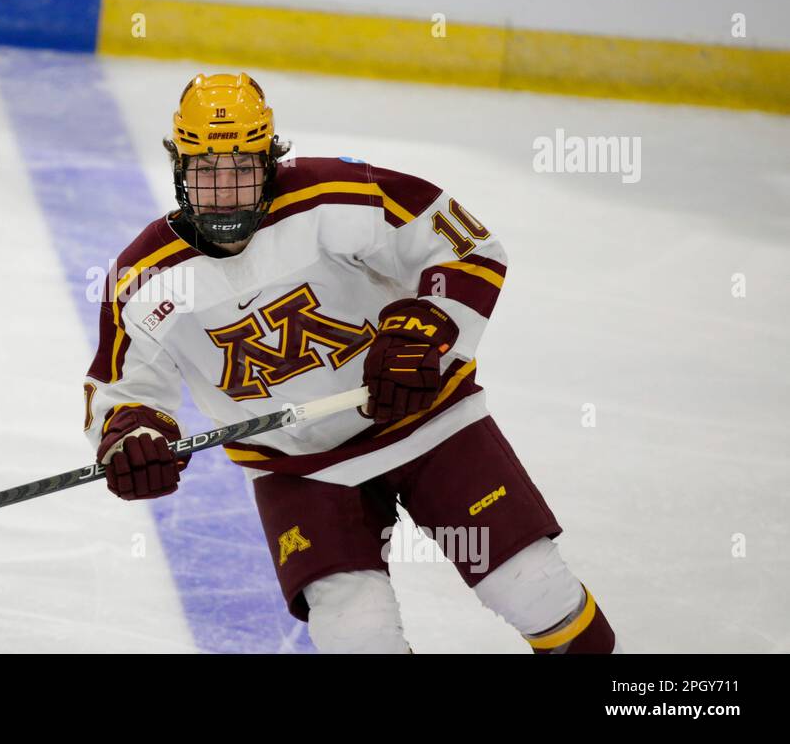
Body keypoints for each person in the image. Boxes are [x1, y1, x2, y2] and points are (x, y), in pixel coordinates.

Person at [82, 72, 619, 653]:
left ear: (269, 160)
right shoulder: (143, 277)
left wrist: (423, 328)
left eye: (242, 168)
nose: (227, 191)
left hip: (428, 423)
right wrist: (131, 438)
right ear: (179, 171)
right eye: (207, 172)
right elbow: (121, 388)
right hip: (300, 469)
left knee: (534, 588)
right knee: (357, 636)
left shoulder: (340, 195)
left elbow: (464, 246)